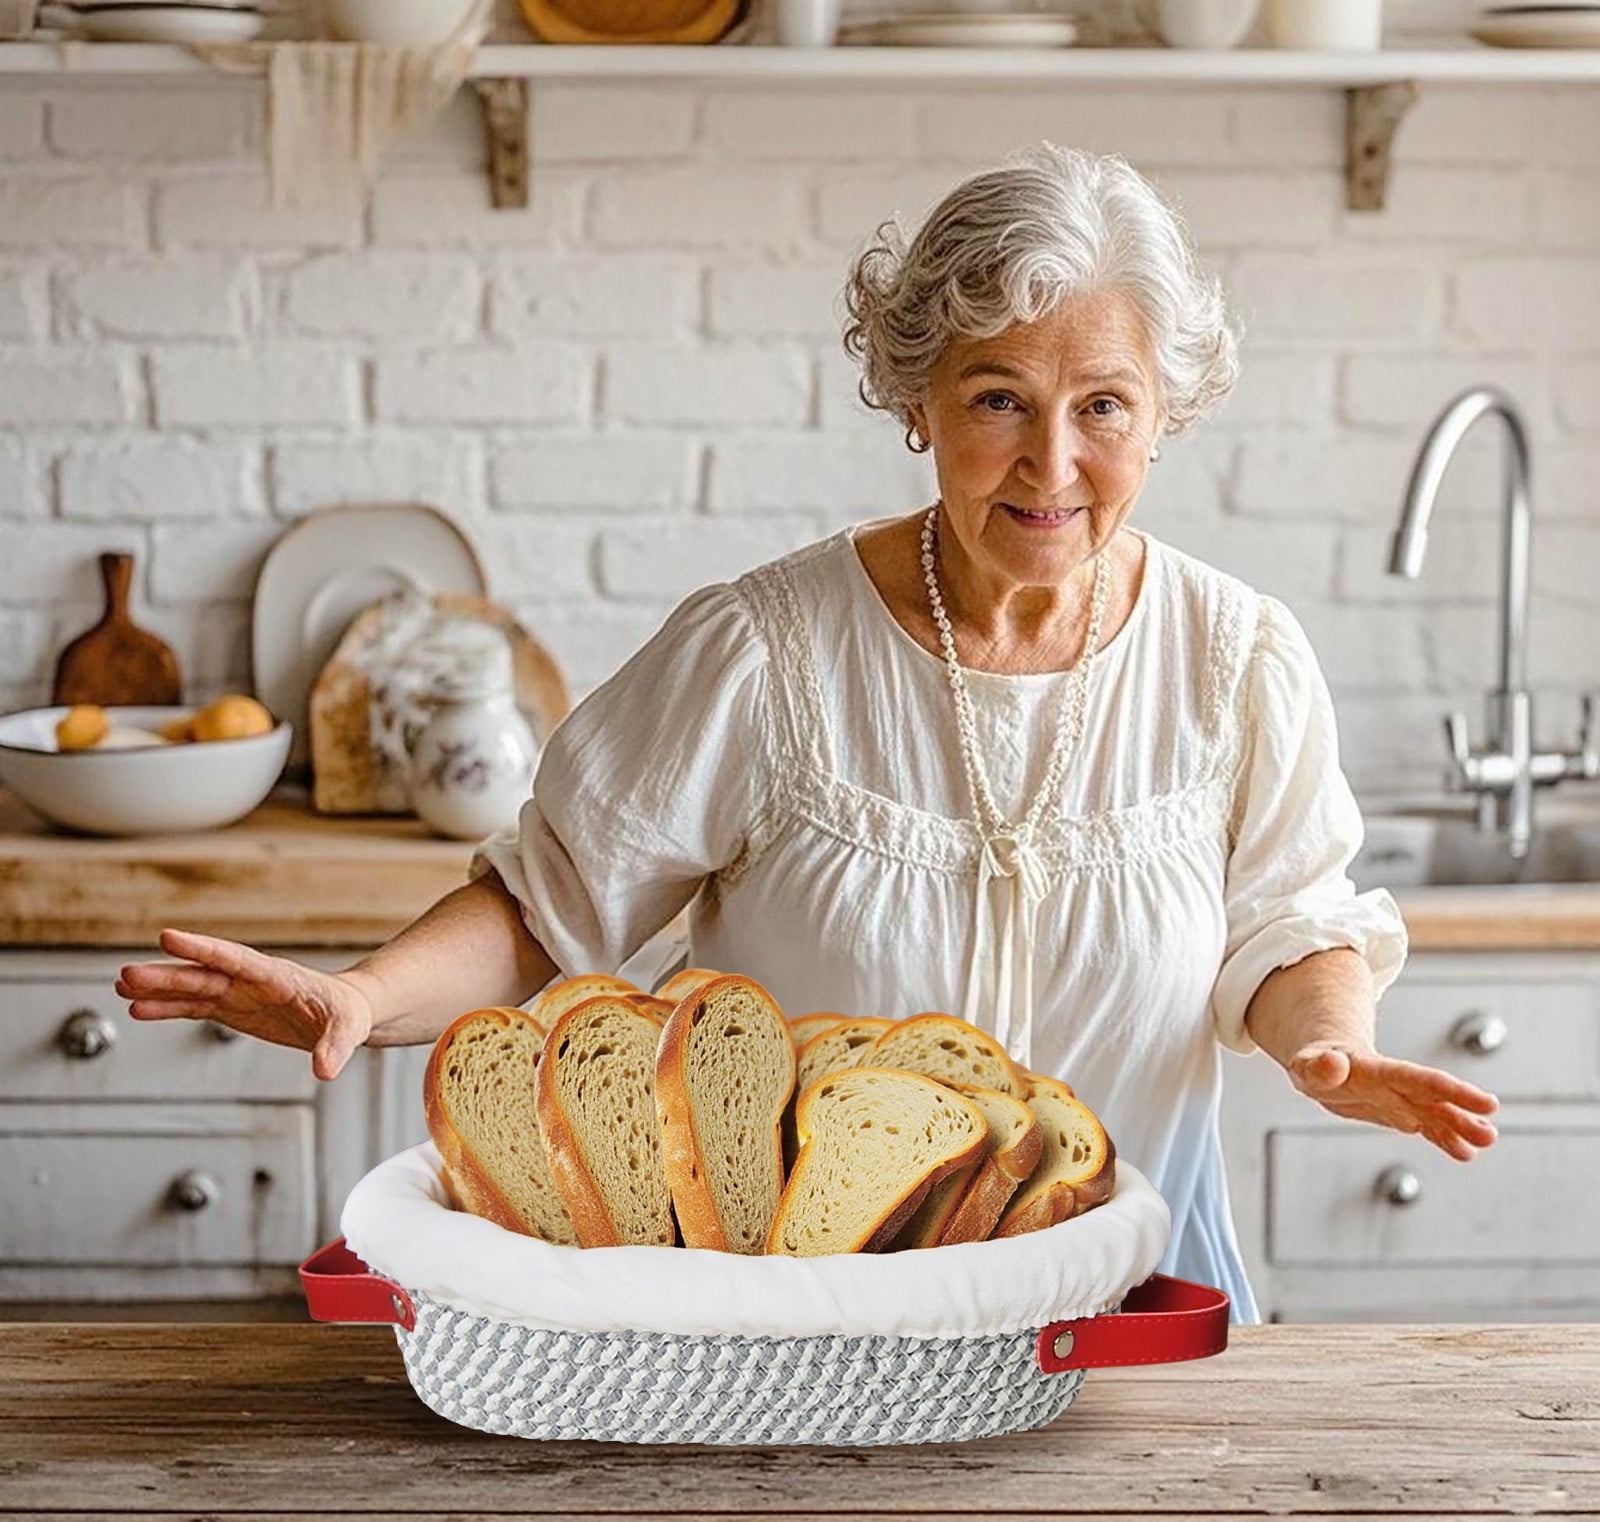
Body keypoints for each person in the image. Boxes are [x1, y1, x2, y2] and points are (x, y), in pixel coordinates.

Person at [116, 144, 1498, 1322]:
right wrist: (362, 997)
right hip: (805, 1338)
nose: (1052, 463)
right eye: (998, 397)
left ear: (1165, 414)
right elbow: (550, 906)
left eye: (1103, 408)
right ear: (918, 403)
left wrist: (1329, 1044)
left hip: (1135, 1326)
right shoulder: (762, 653)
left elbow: (1289, 924)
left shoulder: (1236, 659)